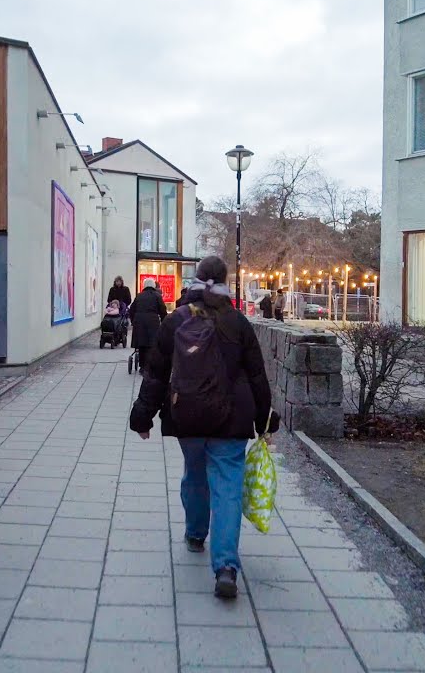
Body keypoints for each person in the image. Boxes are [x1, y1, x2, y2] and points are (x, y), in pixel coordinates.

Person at [129, 256, 273, 599]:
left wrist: (142, 416)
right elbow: (256, 375)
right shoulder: (238, 323)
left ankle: (195, 534)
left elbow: (156, 374)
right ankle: (225, 567)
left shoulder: (176, 320)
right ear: (225, 281)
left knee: (195, 474)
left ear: (195, 280)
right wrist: (265, 419)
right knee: (227, 488)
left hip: (187, 417)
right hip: (232, 419)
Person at [129, 278, 166, 373]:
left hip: (139, 321)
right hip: (152, 321)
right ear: (153, 285)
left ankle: (142, 366)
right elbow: (162, 310)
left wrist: (133, 321)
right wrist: (164, 322)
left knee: (141, 344)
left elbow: (132, 309)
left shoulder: (139, 296)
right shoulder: (157, 296)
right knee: (152, 344)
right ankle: (150, 365)